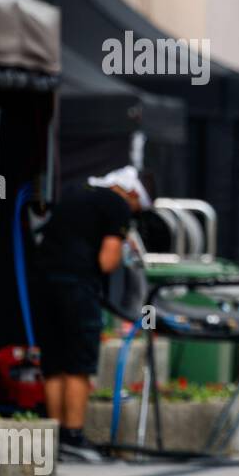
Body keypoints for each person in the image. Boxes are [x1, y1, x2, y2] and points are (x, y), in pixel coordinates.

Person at [32, 166, 152, 461]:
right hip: (78, 287)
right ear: (133, 194)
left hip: (44, 283)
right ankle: (73, 435)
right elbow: (107, 260)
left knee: (54, 361)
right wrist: (123, 250)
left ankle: (56, 436)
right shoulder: (117, 206)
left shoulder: (75, 190)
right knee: (78, 363)